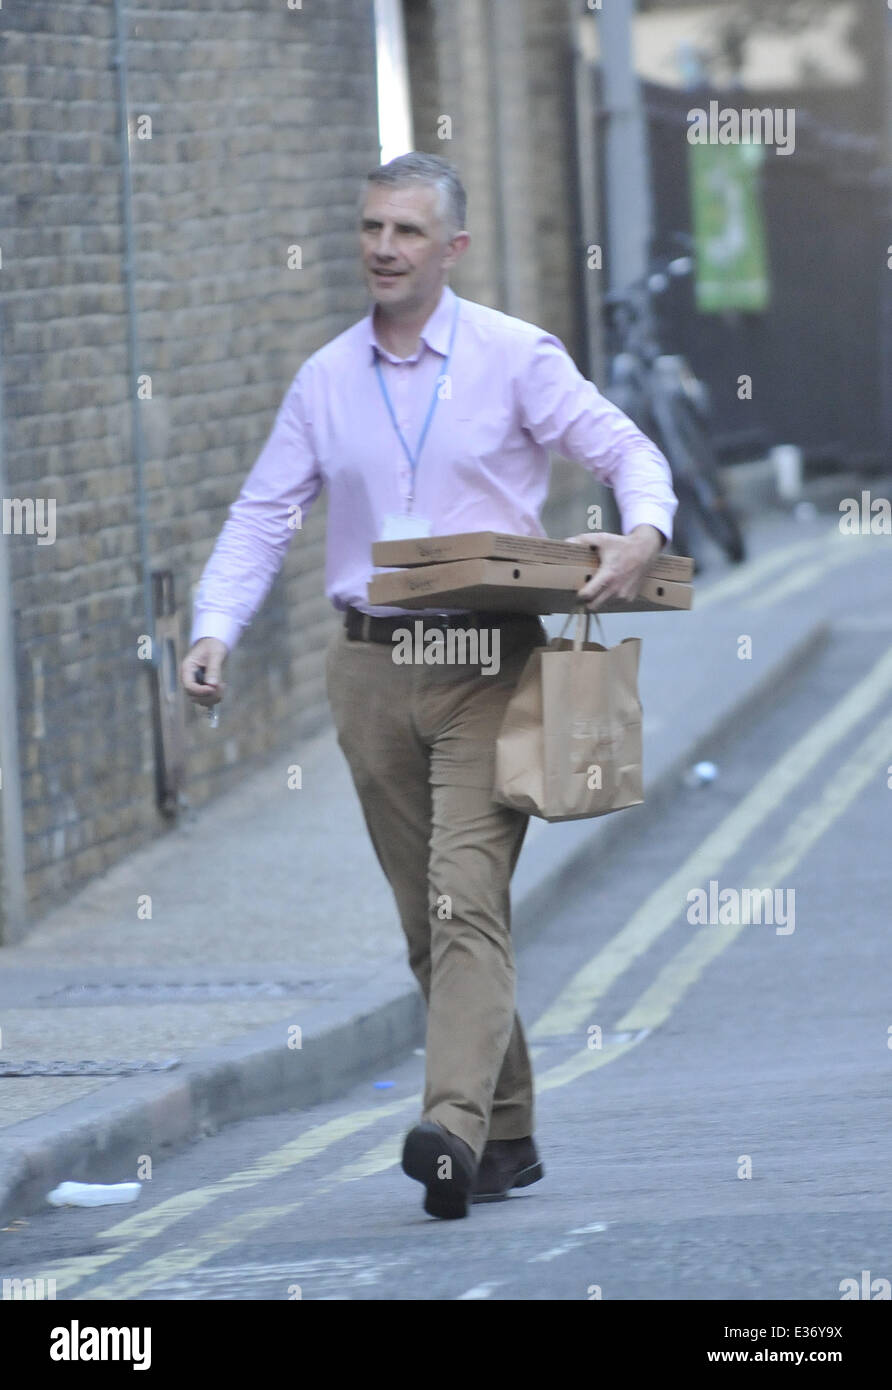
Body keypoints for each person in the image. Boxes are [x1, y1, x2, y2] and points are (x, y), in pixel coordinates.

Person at [181, 152, 677, 1221]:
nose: (383, 248)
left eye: (407, 231)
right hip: (367, 668)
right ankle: (506, 1136)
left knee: (464, 897)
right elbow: (264, 513)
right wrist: (212, 628)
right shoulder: (323, 379)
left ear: (451, 247)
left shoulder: (514, 357)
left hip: (485, 660)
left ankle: (448, 1127)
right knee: (429, 919)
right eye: (370, 228)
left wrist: (642, 533)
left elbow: (626, 448)